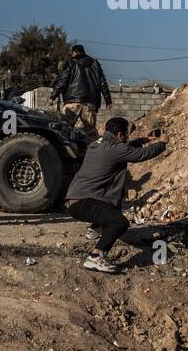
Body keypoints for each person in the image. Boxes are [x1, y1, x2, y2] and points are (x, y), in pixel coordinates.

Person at [64, 117, 166, 273]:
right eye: (126, 134)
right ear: (119, 134)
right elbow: (141, 155)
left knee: (112, 198)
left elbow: (124, 147)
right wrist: (161, 143)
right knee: (120, 223)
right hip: (85, 202)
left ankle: (96, 228)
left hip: (76, 200)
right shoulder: (116, 149)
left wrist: (145, 139)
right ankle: (96, 257)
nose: (127, 137)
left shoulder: (97, 144)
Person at [49, 43, 112, 134]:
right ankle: (91, 148)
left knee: (64, 131)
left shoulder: (71, 62)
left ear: (74, 52)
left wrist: (53, 96)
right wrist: (108, 99)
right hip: (90, 103)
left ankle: (66, 148)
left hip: (72, 103)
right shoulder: (95, 64)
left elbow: (63, 81)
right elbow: (103, 83)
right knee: (90, 132)